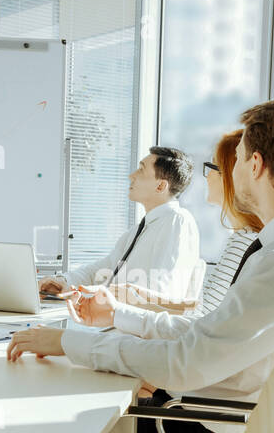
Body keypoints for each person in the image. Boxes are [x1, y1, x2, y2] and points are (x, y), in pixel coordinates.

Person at [9, 94, 274, 433]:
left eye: (239, 158)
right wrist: (119, 319)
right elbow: (206, 335)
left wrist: (72, 343)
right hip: (207, 427)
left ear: (256, 165)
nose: (231, 170)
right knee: (76, 419)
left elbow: (186, 363)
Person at [110, 129, 261, 316]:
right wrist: (136, 295)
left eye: (212, 166)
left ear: (230, 176)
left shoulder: (244, 242)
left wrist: (131, 305)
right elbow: (201, 307)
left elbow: (202, 318)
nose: (207, 175)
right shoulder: (240, 238)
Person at [38, 148, 200, 303]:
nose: (131, 176)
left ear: (160, 186)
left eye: (141, 170)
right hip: (114, 324)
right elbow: (102, 270)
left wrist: (90, 295)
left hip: (135, 329)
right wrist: (63, 281)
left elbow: (159, 293)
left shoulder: (177, 222)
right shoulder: (140, 230)